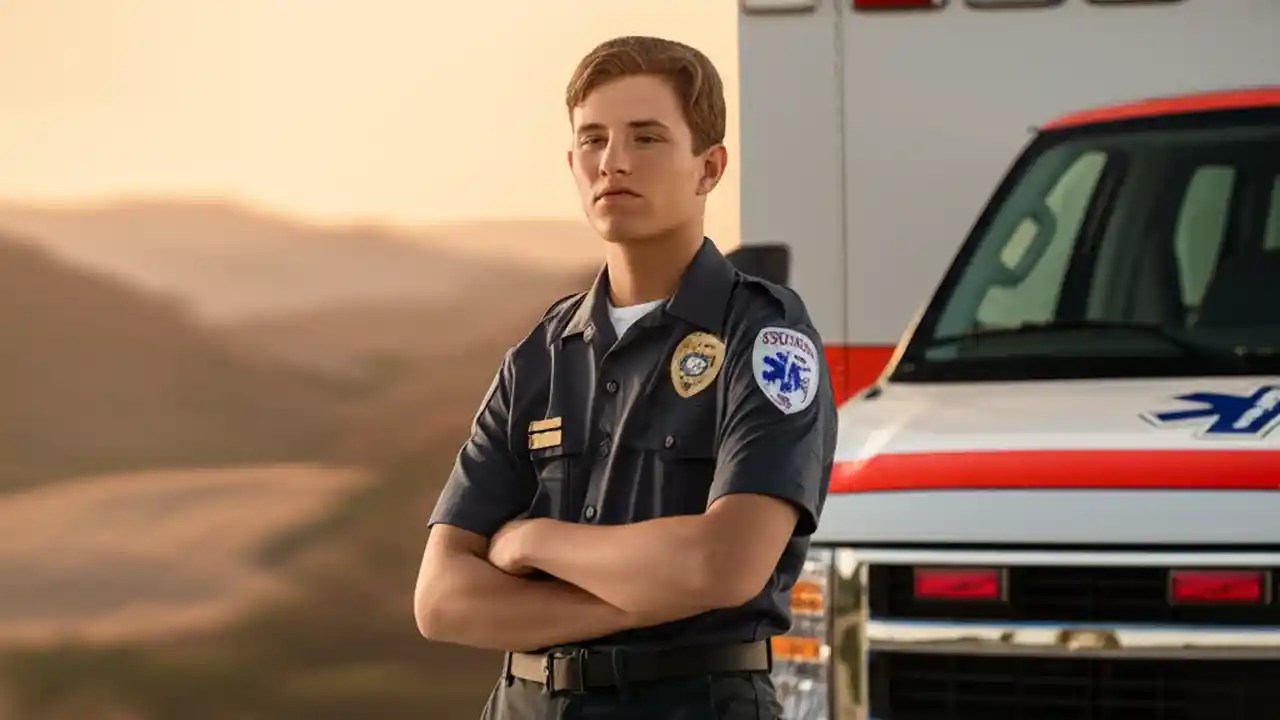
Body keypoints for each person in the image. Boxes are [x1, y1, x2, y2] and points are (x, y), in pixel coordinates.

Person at [413, 34, 837, 719]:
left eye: (645, 138)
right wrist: (643, 592)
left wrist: (533, 541)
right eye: (593, 140)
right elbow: (440, 599)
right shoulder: (539, 357)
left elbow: (725, 565)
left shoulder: (765, 339)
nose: (613, 162)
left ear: (709, 167)